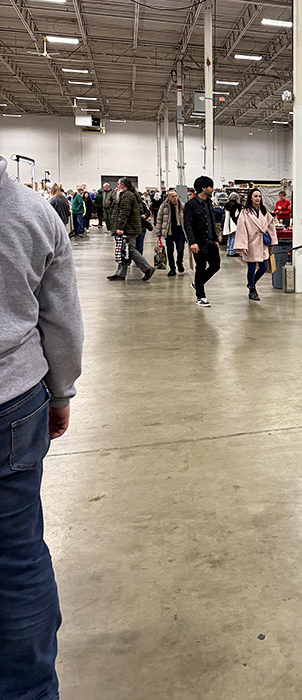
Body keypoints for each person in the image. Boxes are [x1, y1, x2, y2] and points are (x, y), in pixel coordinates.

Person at [0, 152, 84, 700]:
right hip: (12, 398)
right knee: (17, 558)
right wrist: (62, 391)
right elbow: (61, 321)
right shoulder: (34, 214)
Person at [234, 188, 278, 301]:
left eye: (259, 196)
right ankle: (252, 290)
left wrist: (272, 242)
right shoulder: (245, 212)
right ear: (250, 198)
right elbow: (241, 229)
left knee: (264, 267)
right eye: (255, 196)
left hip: (262, 243)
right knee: (252, 267)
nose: (258, 198)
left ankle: (251, 283)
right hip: (251, 243)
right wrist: (243, 245)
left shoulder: (264, 211)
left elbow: (271, 226)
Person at [107, 178, 155, 282]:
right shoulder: (125, 194)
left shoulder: (127, 196)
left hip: (128, 228)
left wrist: (120, 227)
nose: (117, 185)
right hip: (129, 227)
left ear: (123, 185)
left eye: (119, 184)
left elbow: (124, 212)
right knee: (123, 249)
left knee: (130, 250)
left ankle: (147, 268)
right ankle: (120, 273)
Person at [184, 176, 220, 307]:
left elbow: (212, 222)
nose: (213, 189)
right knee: (201, 267)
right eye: (211, 187)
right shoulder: (190, 205)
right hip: (199, 242)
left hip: (211, 241)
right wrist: (192, 242)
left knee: (215, 266)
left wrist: (216, 239)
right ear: (203, 188)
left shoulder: (209, 203)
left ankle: (197, 284)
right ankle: (200, 296)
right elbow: (187, 224)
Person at [157, 189, 185, 277]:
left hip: (180, 233)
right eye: (173, 196)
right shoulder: (164, 206)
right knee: (170, 251)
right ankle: (172, 269)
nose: (175, 198)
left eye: (176, 196)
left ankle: (179, 263)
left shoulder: (182, 205)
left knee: (180, 250)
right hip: (169, 233)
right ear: (168, 198)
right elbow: (159, 219)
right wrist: (158, 232)